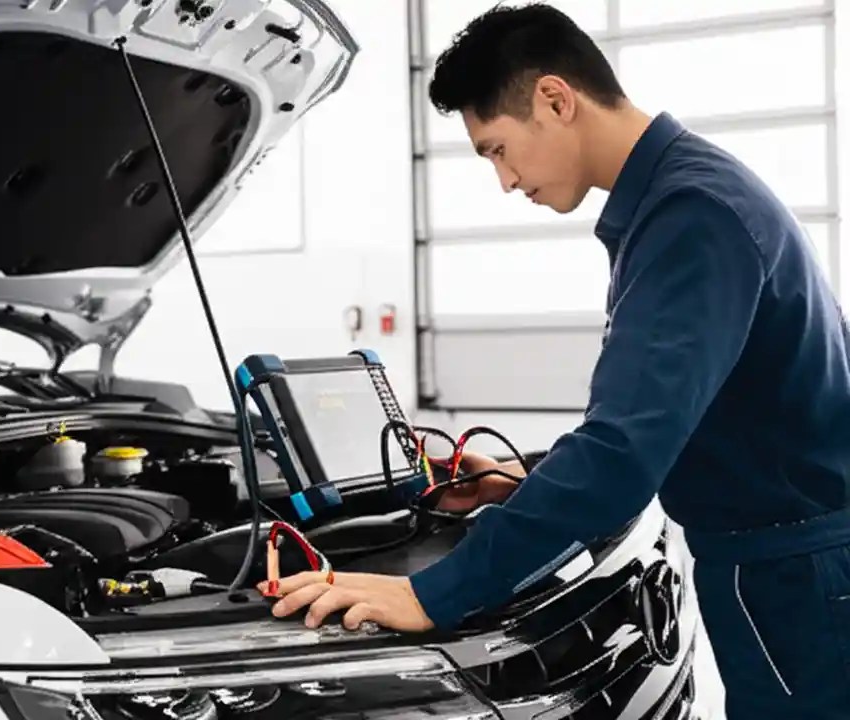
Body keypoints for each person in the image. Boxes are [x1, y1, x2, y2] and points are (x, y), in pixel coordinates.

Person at [262, 3, 850, 717]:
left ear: (554, 99)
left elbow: (621, 455)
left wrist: (430, 593)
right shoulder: (690, 195)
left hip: (795, 581)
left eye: (497, 150)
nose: (505, 182)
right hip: (786, 566)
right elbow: (680, 420)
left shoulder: (690, 216)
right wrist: (526, 478)